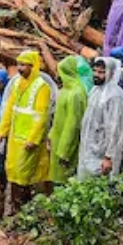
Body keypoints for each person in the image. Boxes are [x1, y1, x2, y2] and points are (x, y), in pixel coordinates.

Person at [0, 51, 53, 212]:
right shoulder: (16, 84)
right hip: (15, 137)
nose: (19, 69)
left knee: (25, 172)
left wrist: (33, 139)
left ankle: (26, 207)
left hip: (29, 139)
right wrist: (2, 131)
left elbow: (41, 116)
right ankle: (15, 207)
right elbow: (9, 109)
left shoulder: (42, 87)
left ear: (32, 66)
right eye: (18, 64)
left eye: (23, 65)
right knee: (13, 170)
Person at [77, 57, 123, 180]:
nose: (96, 75)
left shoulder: (115, 96)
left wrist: (108, 156)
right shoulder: (96, 91)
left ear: (111, 73)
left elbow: (115, 128)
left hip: (102, 151)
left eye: (101, 72)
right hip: (90, 146)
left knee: (101, 185)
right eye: (95, 71)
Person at [49, 56, 88, 184]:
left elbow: (73, 125)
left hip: (66, 148)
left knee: (65, 182)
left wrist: (64, 151)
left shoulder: (76, 93)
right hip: (57, 141)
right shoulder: (66, 90)